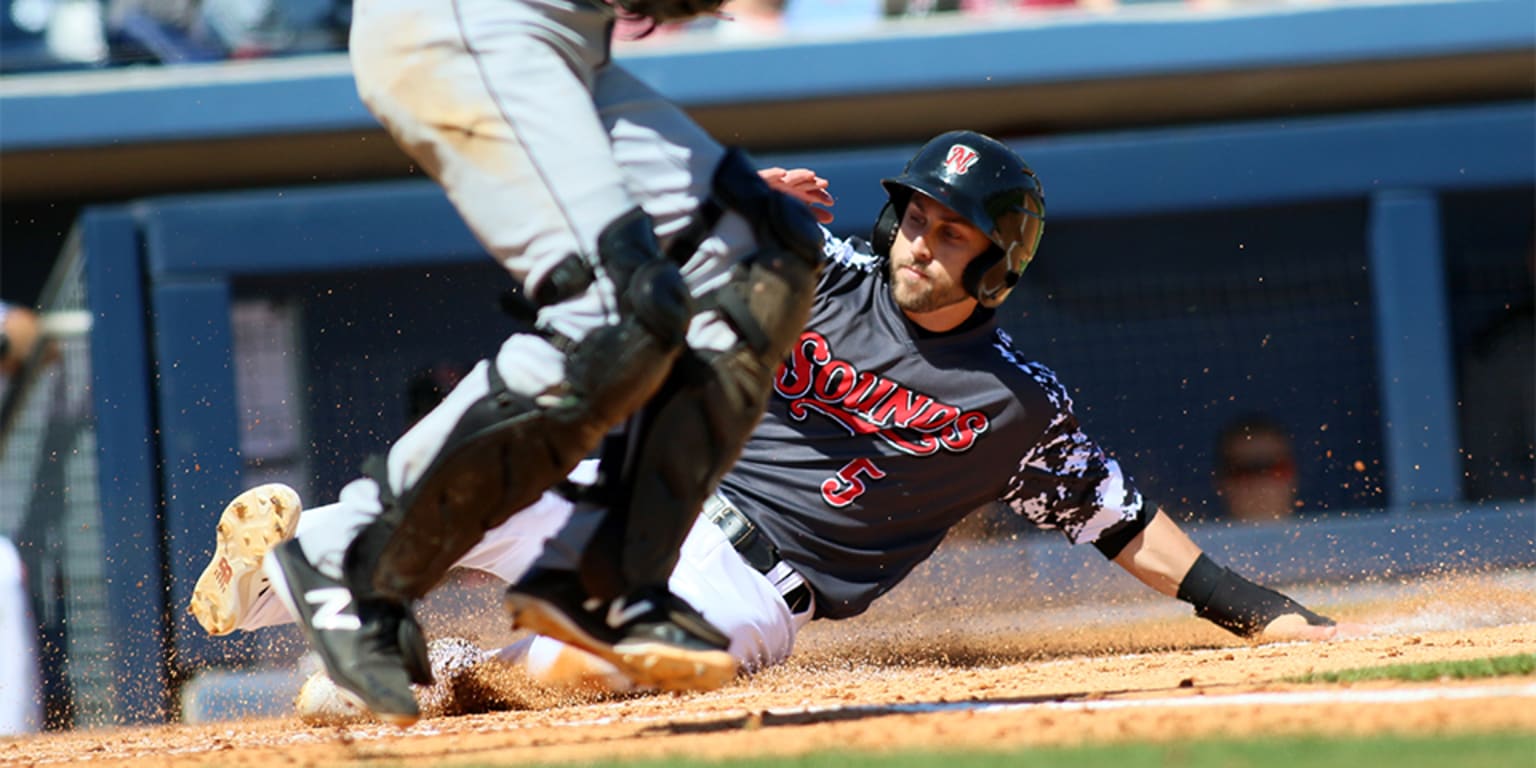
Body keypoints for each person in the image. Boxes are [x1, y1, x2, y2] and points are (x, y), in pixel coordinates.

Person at [196, 132, 1352, 721]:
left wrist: (1256, 612)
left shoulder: (1016, 404)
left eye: (954, 234)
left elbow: (1121, 521)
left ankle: (436, 675)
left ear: (998, 264)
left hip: (759, 587)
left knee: (573, 673)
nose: (921, 240)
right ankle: (280, 572)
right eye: (917, 217)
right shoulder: (817, 273)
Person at [237, 0, 827, 728]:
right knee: (616, 311)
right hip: (471, 20)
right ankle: (354, 560)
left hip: (564, 42)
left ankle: (605, 570)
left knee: (768, 251)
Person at [1212, 413, 1299, 523]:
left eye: (1274, 469)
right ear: (1221, 482)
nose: (1261, 483)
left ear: (1292, 474)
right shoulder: (1189, 538)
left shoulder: (1323, 537)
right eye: (1245, 471)